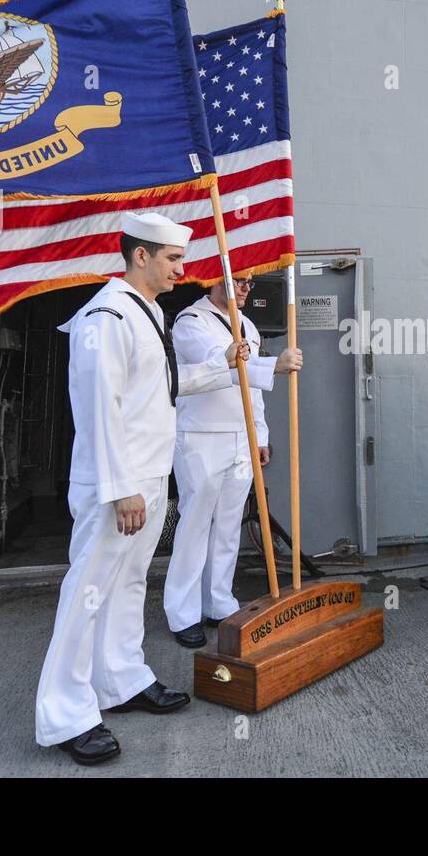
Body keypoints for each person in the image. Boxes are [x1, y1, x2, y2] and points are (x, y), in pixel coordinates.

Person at [34, 211, 288, 765]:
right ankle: (65, 714)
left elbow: (167, 384)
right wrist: (121, 487)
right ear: (141, 255)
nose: (181, 269)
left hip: (148, 477)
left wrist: (228, 366)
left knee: (127, 585)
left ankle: (121, 679)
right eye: (173, 259)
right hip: (118, 485)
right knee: (88, 593)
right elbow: (98, 409)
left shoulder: (146, 311)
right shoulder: (106, 315)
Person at [164, 275, 300, 648]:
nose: (244, 289)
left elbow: (251, 391)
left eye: (249, 284)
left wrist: (260, 434)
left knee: (227, 527)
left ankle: (218, 602)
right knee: (195, 525)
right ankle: (183, 612)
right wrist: (274, 365)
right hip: (202, 436)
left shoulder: (249, 326)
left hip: (241, 437)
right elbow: (220, 364)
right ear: (215, 279)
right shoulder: (192, 321)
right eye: (237, 281)